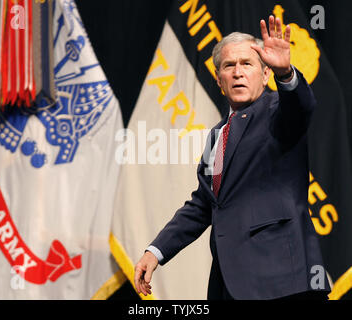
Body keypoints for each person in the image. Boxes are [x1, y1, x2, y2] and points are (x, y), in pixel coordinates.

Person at [134, 16, 331, 300]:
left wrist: (286, 74)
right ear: (219, 79)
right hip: (230, 286)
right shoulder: (216, 136)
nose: (238, 72)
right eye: (229, 65)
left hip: (284, 282)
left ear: (265, 75)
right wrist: (156, 251)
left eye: (247, 64)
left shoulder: (278, 111)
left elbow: (302, 106)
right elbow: (203, 204)